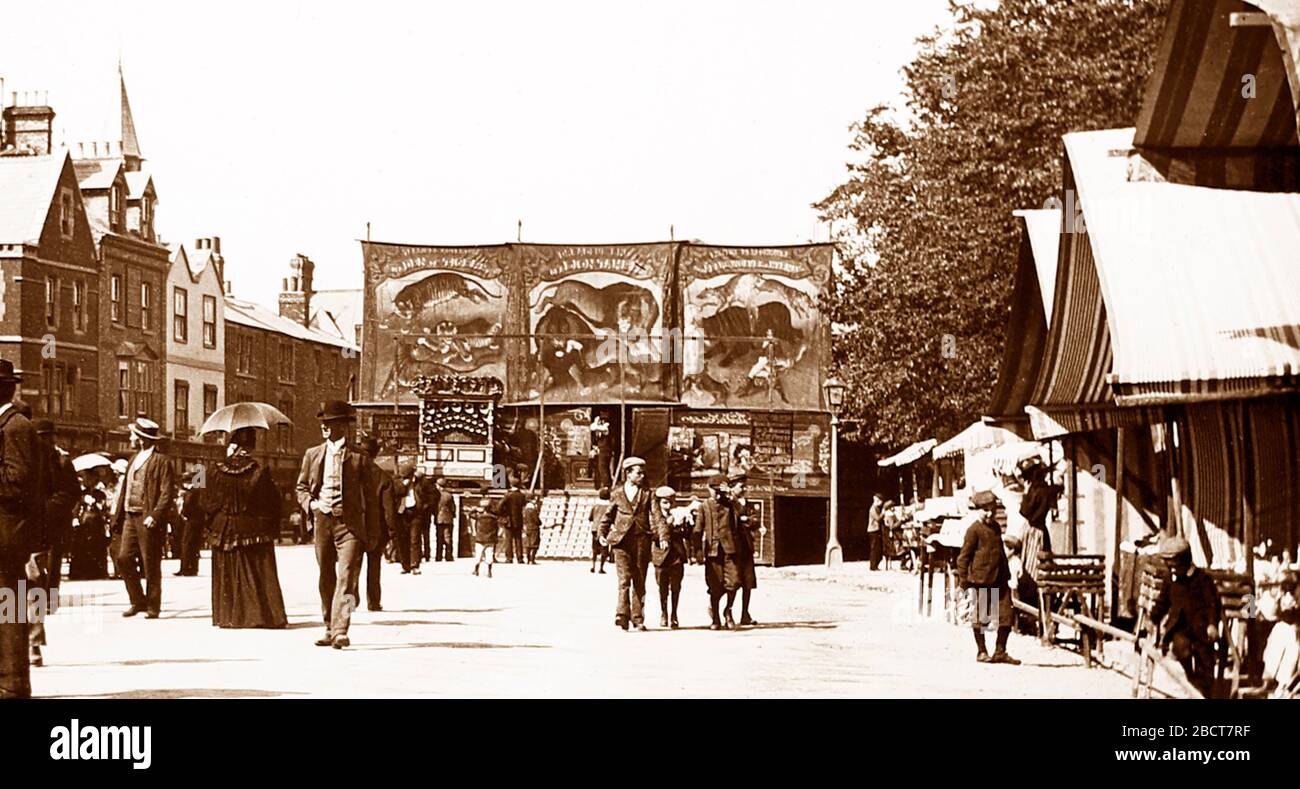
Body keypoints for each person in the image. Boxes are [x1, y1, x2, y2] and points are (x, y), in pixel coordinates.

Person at [189, 427, 288, 629]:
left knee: (227, 569)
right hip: (252, 528)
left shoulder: (211, 469)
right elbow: (273, 504)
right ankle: (259, 615)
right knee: (255, 569)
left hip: (223, 527)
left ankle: (227, 616)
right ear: (250, 447)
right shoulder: (260, 471)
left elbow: (201, 500)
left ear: (232, 446)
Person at [296, 400, 375, 650]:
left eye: (329, 423)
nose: (324, 428)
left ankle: (341, 629)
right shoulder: (313, 454)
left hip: (349, 525)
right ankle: (329, 626)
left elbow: (371, 497)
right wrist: (311, 504)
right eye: (323, 423)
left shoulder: (359, 457)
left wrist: (373, 531)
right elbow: (301, 487)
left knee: (347, 574)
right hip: (322, 522)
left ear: (343, 426)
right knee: (325, 576)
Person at [0, 361, 47, 698]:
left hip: (7, 535)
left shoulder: (15, 427)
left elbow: (18, 481)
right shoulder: (10, 425)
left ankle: (13, 687)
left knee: (10, 614)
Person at [112, 418, 176, 619]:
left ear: (141, 439)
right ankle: (137, 600)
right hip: (130, 516)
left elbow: (167, 493)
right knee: (123, 559)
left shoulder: (162, 461)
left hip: (148, 518)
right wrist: (117, 518)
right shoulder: (133, 459)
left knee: (150, 562)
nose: (130, 437)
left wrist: (155, 515)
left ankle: (153, 606)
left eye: (133, 435)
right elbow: (125, 490)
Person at [1147, 535, 1222, 697]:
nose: (1172, 569)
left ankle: (1204, 690)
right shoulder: (1170, 579)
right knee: (1181, 648)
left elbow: (1212, 604)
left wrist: (1211, 624)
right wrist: (1152, 619)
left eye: (1175, 564)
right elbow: (1162, 603)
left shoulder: (1202, 579)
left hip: (1201, 630)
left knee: (1205, 661)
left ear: (1186, 560)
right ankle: (1188, 680)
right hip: (1179, 628)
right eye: (1169, 565)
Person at [955, 490, 1020, 665]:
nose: (990, 513)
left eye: (992, 509)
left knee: (1007, 615)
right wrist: (963, 582)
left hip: (999, 579)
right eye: (985, 510)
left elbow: (1000, 552)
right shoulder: (973, 530)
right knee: (981, 617)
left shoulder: (996, 528)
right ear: (977, 510)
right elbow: (963, 558)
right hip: (981, 580)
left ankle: (1000, 651)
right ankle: (981, 651)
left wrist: (1007, 574)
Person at [598, 457, 653, 631]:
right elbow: (607, 515)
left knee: (639, 579)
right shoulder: (617, 493)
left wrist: (663, 534)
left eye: (643, 473)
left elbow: (656, 515)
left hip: (641, 541)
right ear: (628, 473)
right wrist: (602, 533)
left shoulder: (647, 493)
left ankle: (637, 618)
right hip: (621, 542)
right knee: (624, 580)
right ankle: (622, 615)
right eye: (638, 472)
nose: (642, 476)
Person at [694, 474, 740, 630]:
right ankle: (715, 617)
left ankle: (728, 610)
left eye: (720, 491)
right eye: (715, 491)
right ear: (708, 489)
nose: (718, 494)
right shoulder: (704, 506)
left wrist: (731, 495)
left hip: (730, 550)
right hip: (712, 551)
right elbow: (698, 530)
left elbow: (741, 511)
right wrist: (698, 551)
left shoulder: (730, 504)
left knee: (733, 583)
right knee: (715, 585)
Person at [358, 437, 397, 612]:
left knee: (351, 568)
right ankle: (373, 602)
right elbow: (389, 509)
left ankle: (350, 603)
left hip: (355, 527)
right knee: (374, 567)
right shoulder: (384, 477)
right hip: (377, 529)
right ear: (376, 454)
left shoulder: (352, 473)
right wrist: (392, 531)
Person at [651, 486, 689, 629]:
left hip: (676, 556)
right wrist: (669, 524)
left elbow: (687, 536)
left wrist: (684, 526)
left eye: (671, 502)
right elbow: (654, 534)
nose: (668, 506)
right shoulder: (654, 516)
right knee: (662, 588)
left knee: (676, 587)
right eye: (665, 502)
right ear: (659, 502)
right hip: (660, 556)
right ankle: (664, 613)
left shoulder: (678, 514)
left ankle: (674, 614)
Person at [730, 472, 761, 626]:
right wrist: (742, 520)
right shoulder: (730, 504)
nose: (744, 489)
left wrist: (745, 520)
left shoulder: (747, 504)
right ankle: (727, 611)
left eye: (744, 486)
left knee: (747, 583)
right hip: (734, 548)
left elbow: (755, 522)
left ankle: (744, 614)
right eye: (741, 486)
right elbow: (732, 522)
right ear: (732, 488)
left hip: (746, 547)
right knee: (733, 581)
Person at [1018, 460, 1059, 554]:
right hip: (1042, 530)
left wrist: (1025, 494)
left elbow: (1025, 511)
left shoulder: (1035, 491)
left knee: (1032, 559)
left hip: (1034, 531)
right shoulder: (1047, 490)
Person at [393, 462, 422, 574]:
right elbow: (395, 493)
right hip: (401, 512)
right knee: (402, 539)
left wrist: (423, 507)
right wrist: (404, 485)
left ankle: (415, 565)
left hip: (415, 512)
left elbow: (432, 495)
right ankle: (405, 565)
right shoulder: (397, 482)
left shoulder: (420, 482)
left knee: (415, 539)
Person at [173, 468, 203, 576]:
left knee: (186, 544)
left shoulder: (193, 492)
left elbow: (189, 506)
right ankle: (193, 568)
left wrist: (185, 515)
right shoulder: (198, 490)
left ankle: (185, 568)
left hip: (191, 520)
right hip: (198, 521)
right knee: (194, 545)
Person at [471, 487, 499, 577]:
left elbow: (470, 514)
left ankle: (476, 570)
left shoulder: (479, 517)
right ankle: (489, 572)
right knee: (489, 555)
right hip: (490, 539)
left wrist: (475, 509)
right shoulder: (494, 518)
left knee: (478, 555)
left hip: (480, 539)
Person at [500, 478, 526, 564]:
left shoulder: (508, 495)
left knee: (508, 540)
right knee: (518, 539)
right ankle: (520, 557)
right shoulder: (522, 495)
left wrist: (503, 513)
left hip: (509, 520)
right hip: (518, 519)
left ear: (511, 485)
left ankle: (509, 558)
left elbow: (500, 506)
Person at [434, 477, 456, 561]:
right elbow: (453, 508)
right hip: (448, 518)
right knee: (448, 537)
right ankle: (449, 555)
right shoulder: (449, 495)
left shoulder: (436, 495)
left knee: (439, 538)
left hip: (439, 518)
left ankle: (438, 556)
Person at [589, 487, 610, 574]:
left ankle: (593, 565)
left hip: (595, 529)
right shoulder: (609, 506)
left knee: (594, 548)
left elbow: (590, 518)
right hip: (605, 529)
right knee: (604, 549)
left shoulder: (595, 506)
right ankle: (601, 567)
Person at [866, 493, 884, 571]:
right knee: (874, 549)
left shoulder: (876, 508)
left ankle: (875, 565)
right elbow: (877, 518)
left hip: (876, 530)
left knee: (877, 548)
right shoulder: (873, 509)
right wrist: (883, 513)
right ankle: (873, 566)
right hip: (873, 530)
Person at [523, 495, 542, 565]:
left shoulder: (526, 510)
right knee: (534, 544)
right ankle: (532, 559)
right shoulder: (533, 510)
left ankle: (528, 559)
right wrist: (540, 522)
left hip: (528, 527)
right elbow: (537, 520)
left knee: (528, 544)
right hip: (534, 528)